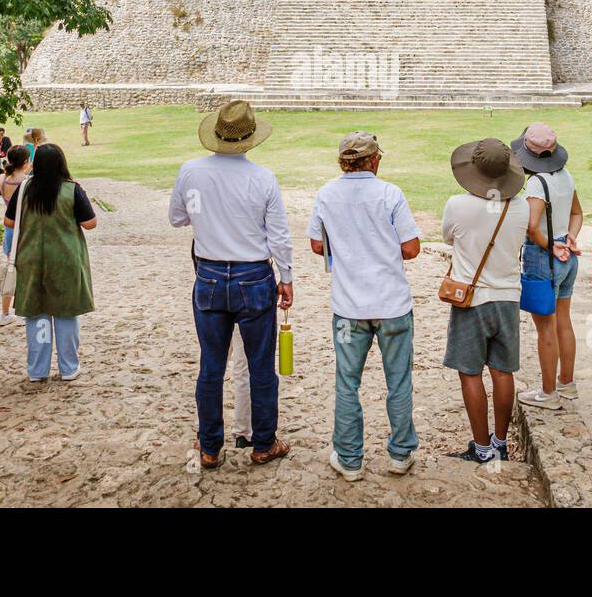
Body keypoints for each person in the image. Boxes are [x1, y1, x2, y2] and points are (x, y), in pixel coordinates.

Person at [168, 100, 292, 470]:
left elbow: (176, 218)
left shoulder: (191, 171)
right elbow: (279, 236)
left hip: (209, 273)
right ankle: (264, 442)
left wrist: (210, 220)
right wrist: (286, 278)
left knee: (211, 365)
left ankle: (209, 446)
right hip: (252, 275)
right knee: (260, 366)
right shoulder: (262, 177)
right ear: (251, 137)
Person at [308, 132, 422, 481]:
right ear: (374, 160)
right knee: (398, 382)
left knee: (347, 382)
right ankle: (400, 453)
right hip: (391, 304)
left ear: (343, 161)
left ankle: (349, 457)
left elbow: (316, 244)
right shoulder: (390, 193)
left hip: (349, 307)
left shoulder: (327, 194)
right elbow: (412, 248)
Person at [441, 138, 529, 463]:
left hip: (472, 298)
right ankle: (501, 442)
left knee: (470, 371)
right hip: (508, 296)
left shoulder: (457, 205)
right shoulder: (520, 206)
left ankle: (481, 448)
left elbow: (448, 236)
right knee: (503, 371)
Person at [4, 143, 97, 382]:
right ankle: (68, 367)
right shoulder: (71, 189)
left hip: (32, 258)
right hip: (65, 258)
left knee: (36, 315)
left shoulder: (25, 189)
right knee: (66, 313)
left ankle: (37, 370)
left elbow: (9, 221)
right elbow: (90, 223)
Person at [512, 123, 584, 408]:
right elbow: (577, 213)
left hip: (544, 258)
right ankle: (567, 383)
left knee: (546, 328)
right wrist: (570, 236)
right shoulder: (565, 175)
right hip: (568, 256)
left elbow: (532, 226)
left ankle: (548, 393)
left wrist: (549, 244)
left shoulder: (536, 183)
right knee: (564, 321)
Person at [0, 144, 32, 326]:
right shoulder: (27, 182)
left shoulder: (2, 178)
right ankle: (25, 309)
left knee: (11, 269)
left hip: (9, 229)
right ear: (26, 161)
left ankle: (4, 312)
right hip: (24, 228)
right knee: (26, 270)